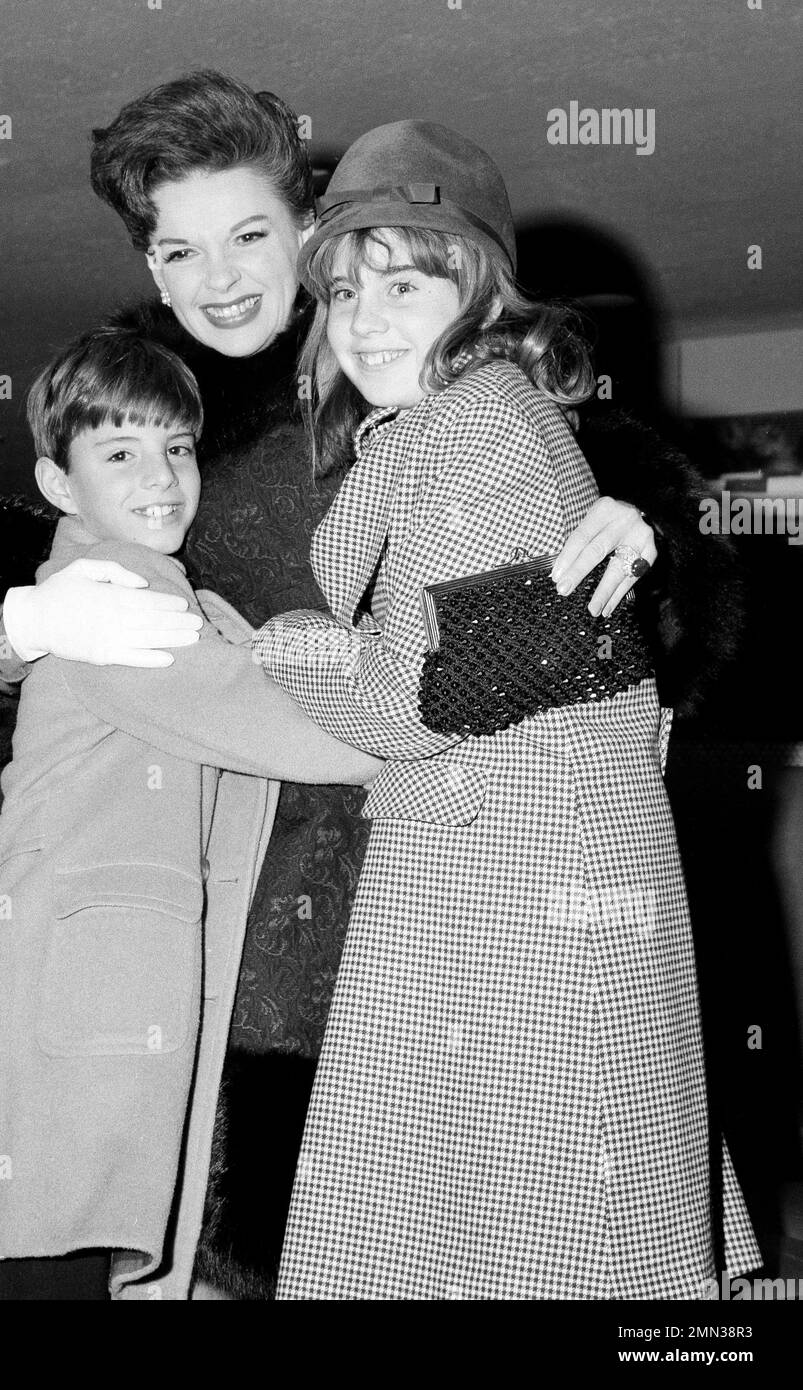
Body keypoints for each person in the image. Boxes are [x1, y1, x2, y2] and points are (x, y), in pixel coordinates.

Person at [0, 71, 740, 1298]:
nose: (221, 279)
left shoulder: (457, 372)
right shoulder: (144, 404)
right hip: (236, 913)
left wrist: (646, 544)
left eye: (251, 234)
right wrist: (6, 630)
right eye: (177, 250)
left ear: (307, 221)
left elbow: (666, 631)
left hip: (457, 888)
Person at [248, 120, 760, 1300]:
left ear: (477, 294)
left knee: (517, 1220)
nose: (361, 316)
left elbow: (417, 693)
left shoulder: (472, 422)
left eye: (402, 280)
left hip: (516, 878)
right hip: (524, 860)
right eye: (338, 288)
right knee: (541, 1207)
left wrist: (277, 645)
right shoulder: (452, 427)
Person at [0, 325, 382, 1300]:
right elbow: (276, 726)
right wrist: (460, 731)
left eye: (176, 446)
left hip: (96, 977)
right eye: (120, 451)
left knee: (65, 1244)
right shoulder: (115, 592)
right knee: (49, 1248)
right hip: (79, 983)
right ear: (59, 484)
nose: (162, 475)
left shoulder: (161, 591)